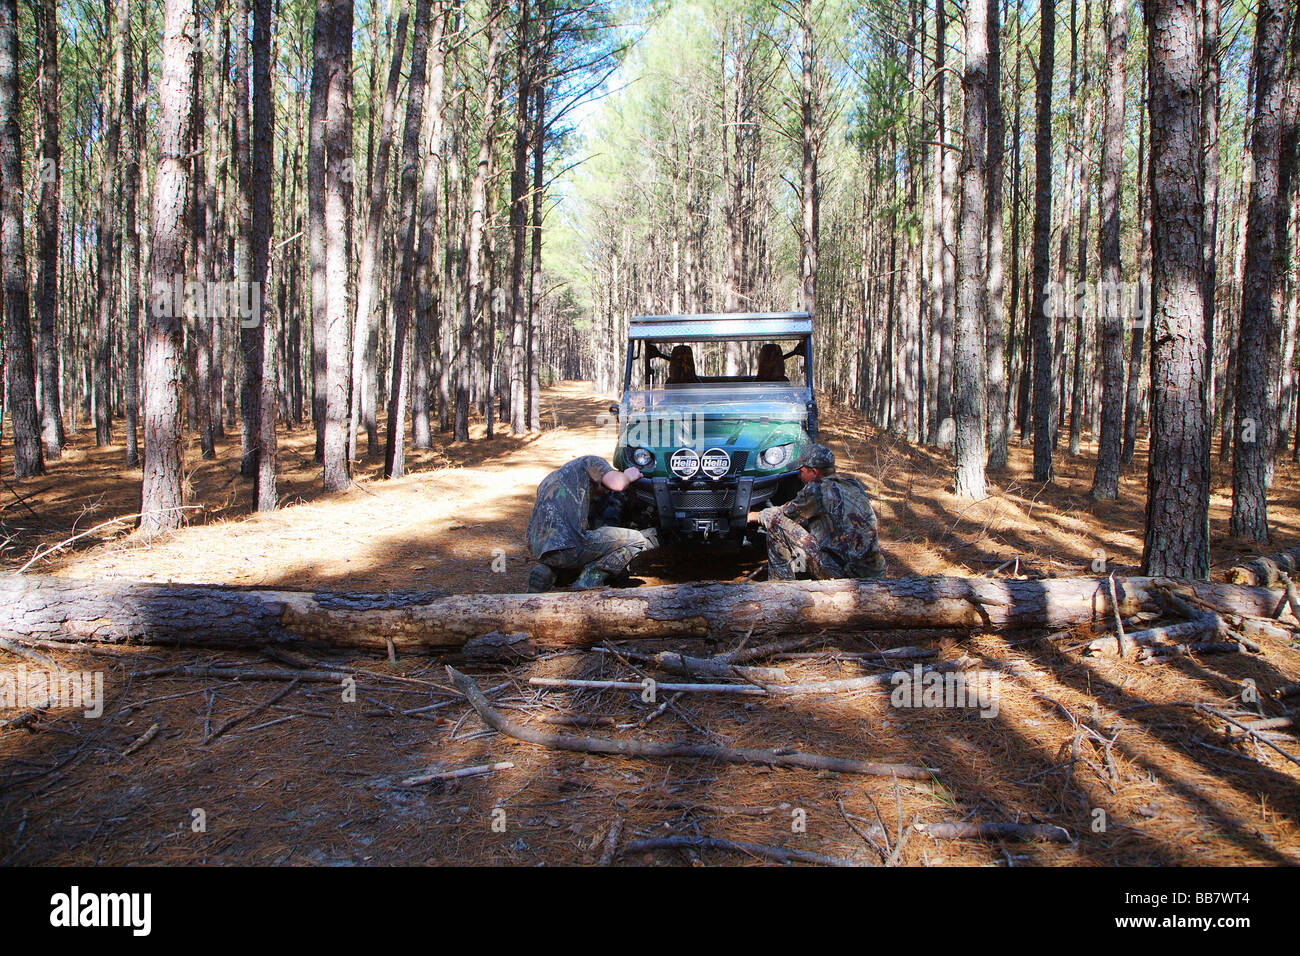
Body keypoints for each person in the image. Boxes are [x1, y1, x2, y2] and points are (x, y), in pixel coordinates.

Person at [747, 443, 886, 580]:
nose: (798, 476)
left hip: (843, 574)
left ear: (814, 472)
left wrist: (752, 515)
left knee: (776, 523)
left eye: (801, 471)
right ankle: (801, 576)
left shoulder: (817, 489)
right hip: (874, 572)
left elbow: (783, 514)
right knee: (803, 530)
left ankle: (782, 590)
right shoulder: (853, 486)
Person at [526, 456, 659, 592]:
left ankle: (549, 572)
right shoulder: (589, 462)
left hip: (539, 548)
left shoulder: (554, 479)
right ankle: (588, 580)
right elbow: (618, 484)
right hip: (568, 547)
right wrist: (627, 476)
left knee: (582, 545)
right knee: (636, 539)